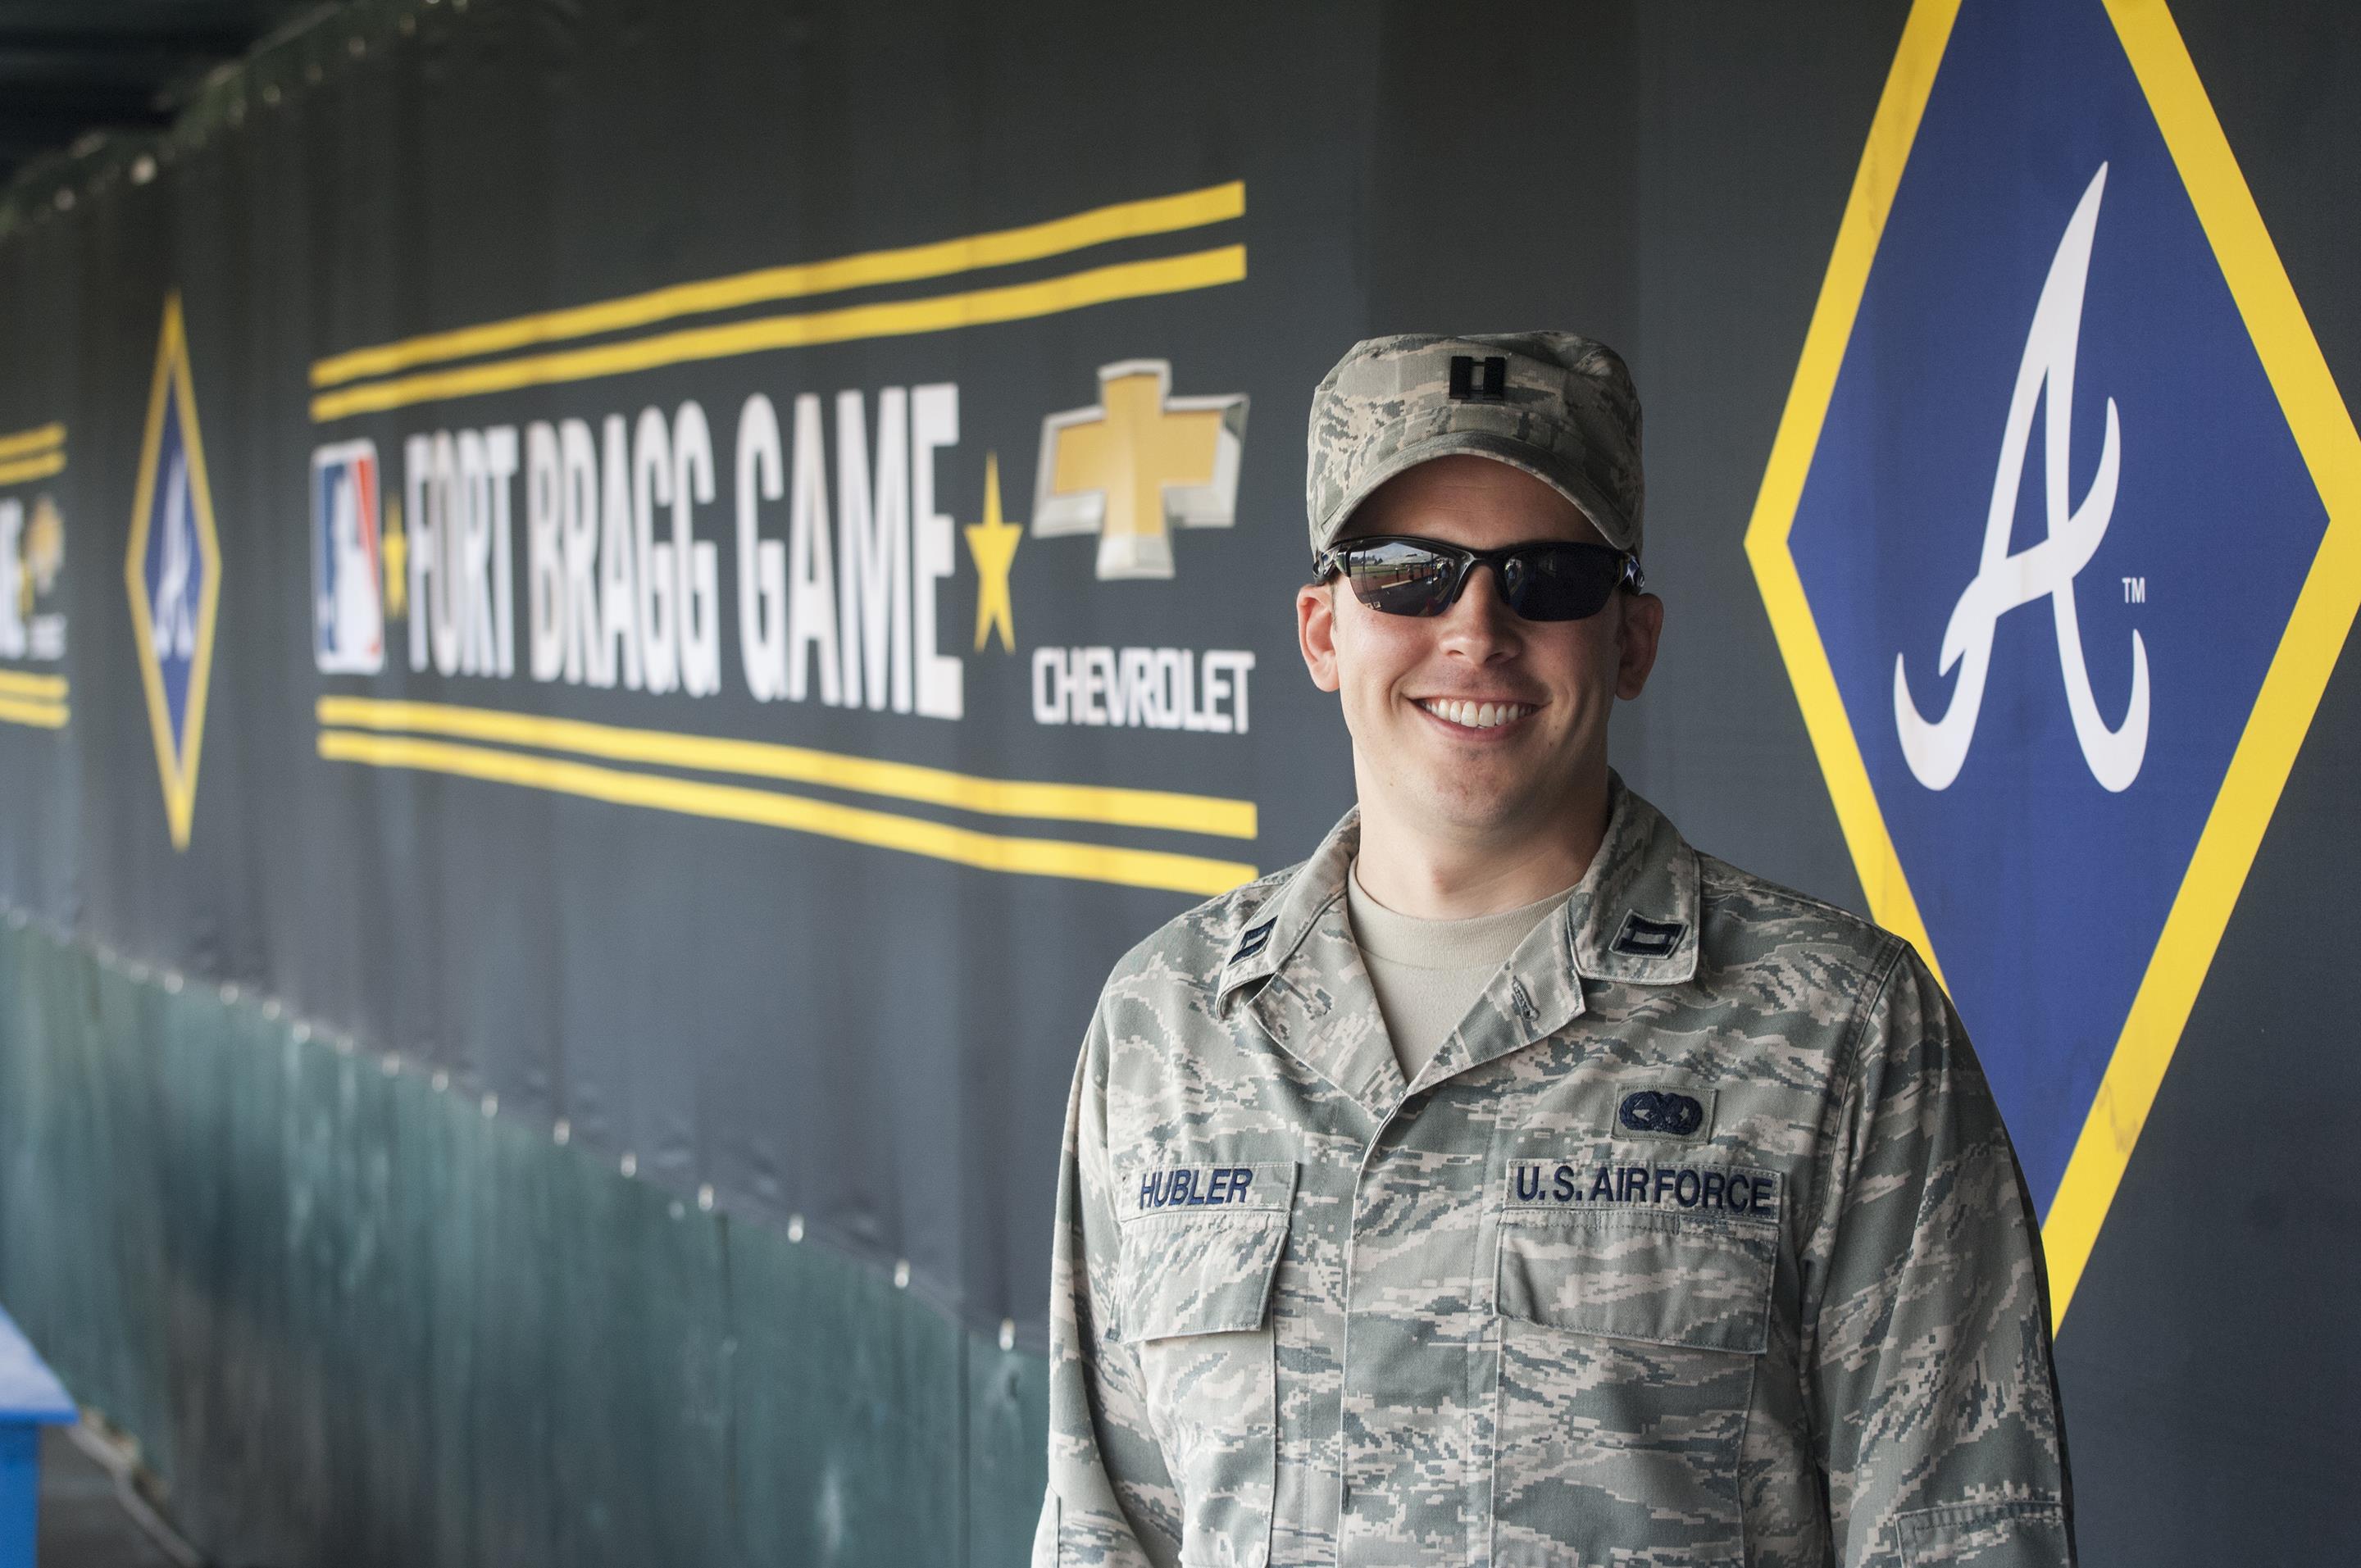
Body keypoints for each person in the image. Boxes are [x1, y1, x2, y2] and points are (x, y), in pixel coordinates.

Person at [1035, 333, 2074, 1568]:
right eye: (1406, 573)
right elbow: (1104, 1529)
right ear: (1323, 629)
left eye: (1548, 576)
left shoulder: (1842, 1031)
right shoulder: (1169, 1021)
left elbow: (1967, 1535)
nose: (1476, 626)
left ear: (1631, 639)